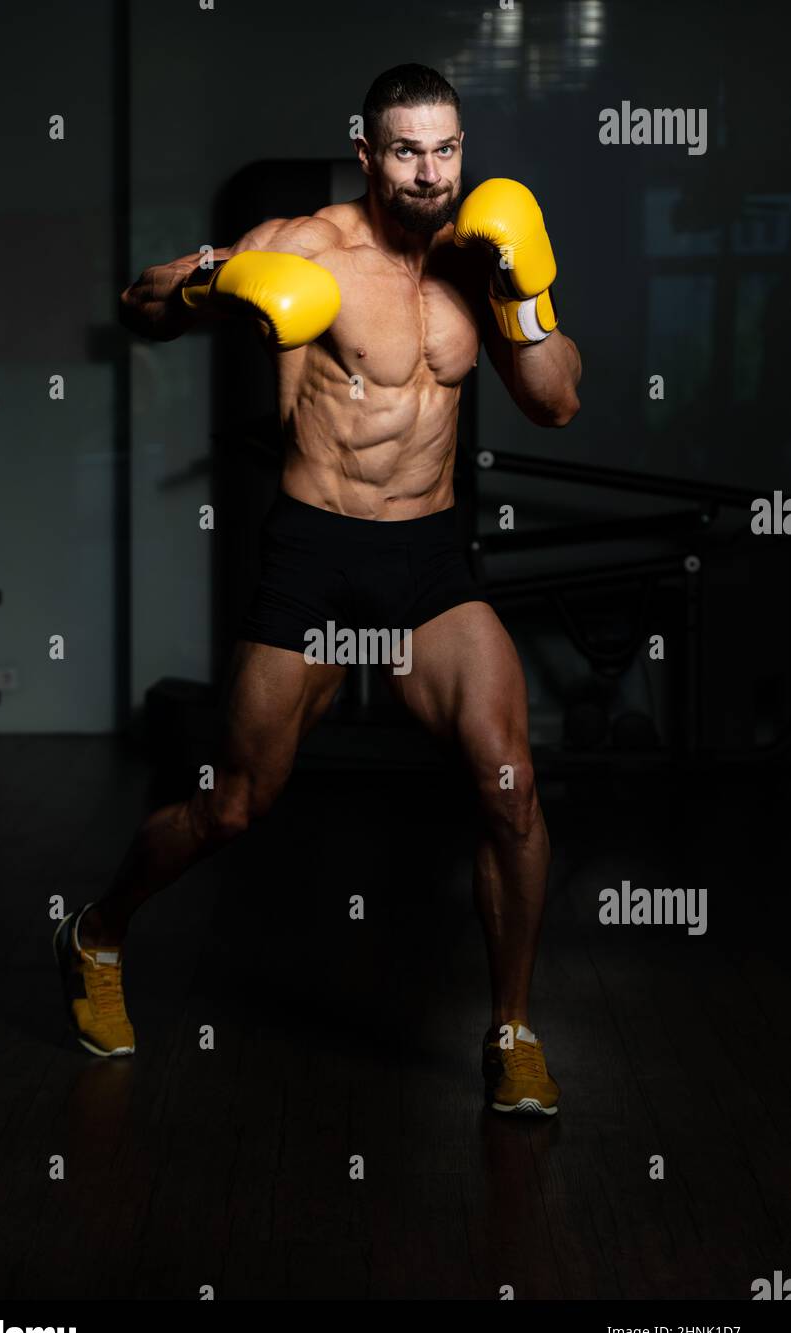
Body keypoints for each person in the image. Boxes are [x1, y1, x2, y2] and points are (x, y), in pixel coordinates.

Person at [53, 63, 581, 1116]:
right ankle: (98, 929)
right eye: (405, 151)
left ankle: (510, 1032)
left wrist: (524, 296)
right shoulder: (302, 244)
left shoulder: (483, 252)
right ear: (366, 153)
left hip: (427, 555)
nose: (428, 174)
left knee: (508, 785)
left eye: (445, 150)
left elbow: (555, 402)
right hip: (316, 554)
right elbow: (139, 304)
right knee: (235, 806)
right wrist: (213, 282)